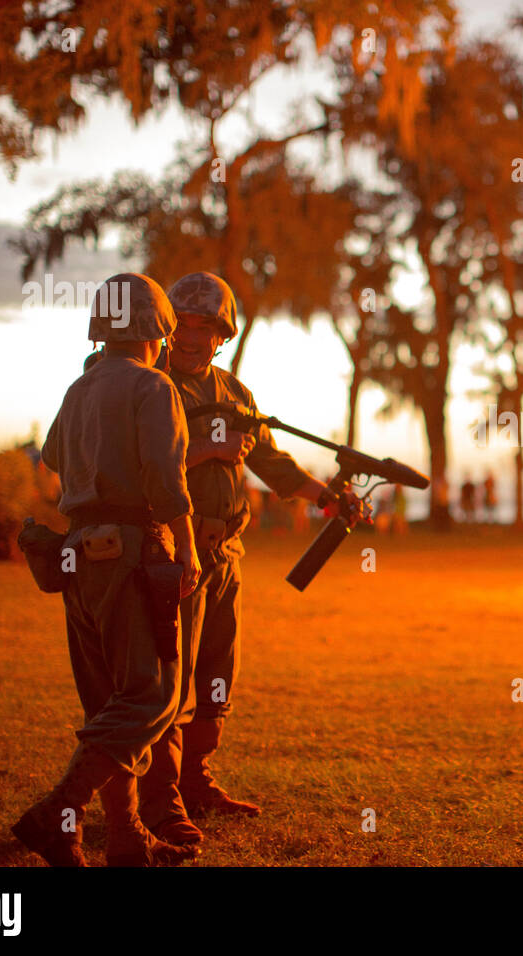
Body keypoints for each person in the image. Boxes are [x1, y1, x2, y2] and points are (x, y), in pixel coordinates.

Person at [141, 271, 369, 845]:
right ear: (168, 328)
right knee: (172, 678)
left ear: (223, 335)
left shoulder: (236, 394)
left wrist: (327, 498)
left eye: (205, 327)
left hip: (226, 554)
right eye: (183, 325)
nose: (191, 337)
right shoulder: (148, 386)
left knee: (217, 674)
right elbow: (135, 470)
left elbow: (271, 462)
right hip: (171, 552)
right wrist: (206, 450)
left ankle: (197, 781)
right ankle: (161, 801)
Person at [12, 273, 202, 868]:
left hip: (76, 551)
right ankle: (54, 814)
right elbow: (168, 487)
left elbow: (52, 458)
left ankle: (122, 838)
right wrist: (189, 552)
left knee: (105, 704)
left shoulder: (79, 388)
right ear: (158, 329)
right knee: (153, 696)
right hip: (131, 547)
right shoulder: (154, 386)